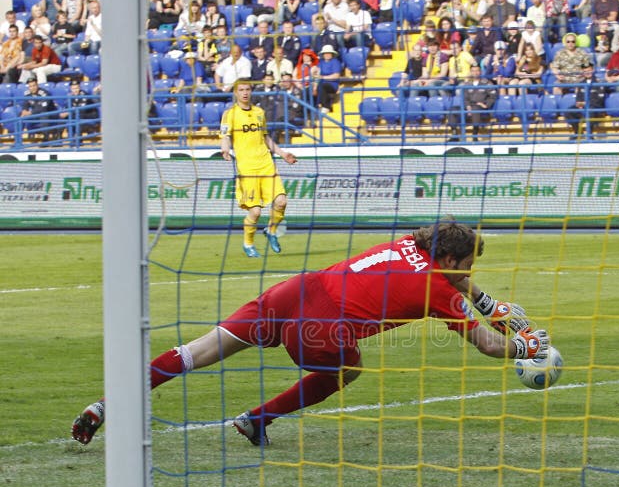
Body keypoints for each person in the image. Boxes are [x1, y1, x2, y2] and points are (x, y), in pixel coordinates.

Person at [71, 220, 551, 448]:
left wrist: (487, 303)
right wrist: (523, 347)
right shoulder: (437, 289)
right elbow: (487, 346)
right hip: (322, 327)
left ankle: (105, 404)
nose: (469, 272)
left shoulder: (409, 244)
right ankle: (258, 418)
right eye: (469, 264)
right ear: (449, 260)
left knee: (199, 350)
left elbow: (453, 276)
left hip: (293, 292)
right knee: (347, 372)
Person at [218, 80, 297, 259]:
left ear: (251, 92)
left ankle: (271, 231)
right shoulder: (229, 114)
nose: (245, 93)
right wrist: (225, 149)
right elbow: (225, 136)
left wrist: (283, 154)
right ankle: (248, 244)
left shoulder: (259, 112)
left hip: (266, 164)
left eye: (247, 89)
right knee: (255, 211)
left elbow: (265, 138)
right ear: (236, 93)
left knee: (282, 201)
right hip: (247, 168)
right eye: (241, 90)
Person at [448, 63, 496, 140]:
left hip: (480, 107)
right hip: (468, 106)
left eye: (477, 71)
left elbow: (492, 96)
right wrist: (467, 106)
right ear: (470, 72)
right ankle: (454, 134)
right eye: (473, 71)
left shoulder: (487, 83)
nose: (475, 73)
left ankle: (475, 134)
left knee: (475, 109)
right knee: (452, 110)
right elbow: (465, 97)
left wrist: (486, 105)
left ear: (480, 72)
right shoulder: (467, 84)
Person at [565, 63, 607, 139]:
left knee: (590, 111)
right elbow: (578, 97)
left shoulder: (599, 82)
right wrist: (579, 104)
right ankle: (578, 133)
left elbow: (599, 99)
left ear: (593, 70)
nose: (587, 73)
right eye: (585, 71)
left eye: (589, 70)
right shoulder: (581, 83)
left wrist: (586, 103)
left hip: (595, 108)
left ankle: (589, 134)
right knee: (569, 111)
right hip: (583, 107)